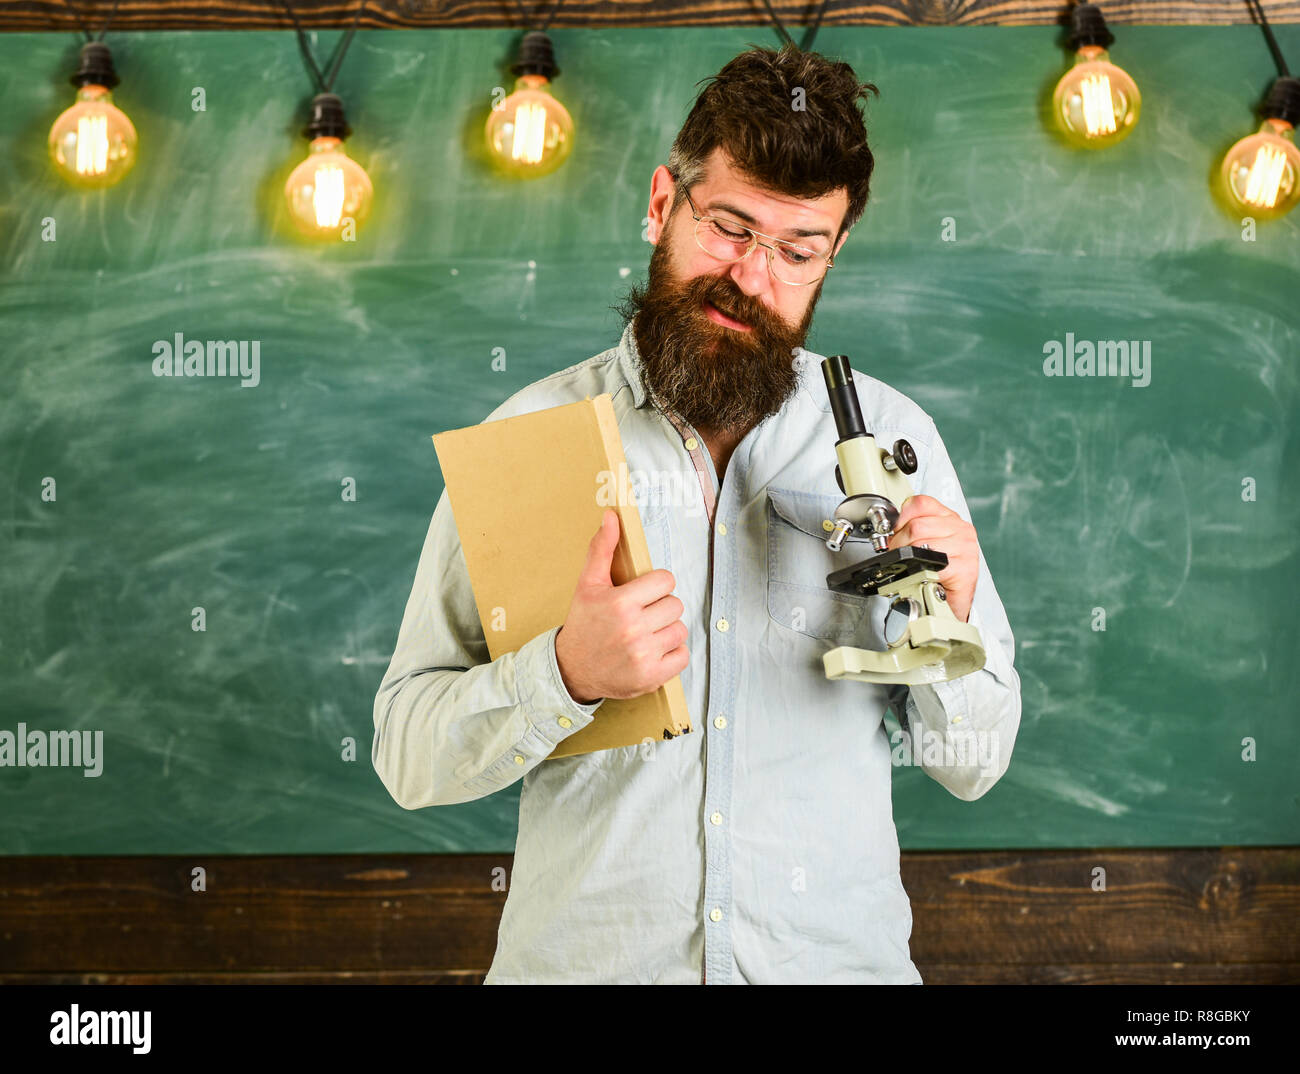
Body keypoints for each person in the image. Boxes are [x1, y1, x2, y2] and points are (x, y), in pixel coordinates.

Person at [373, 44, 1022, 984]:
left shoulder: (891, 438)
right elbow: (407, 751)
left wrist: (948, 625)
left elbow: (975, 761)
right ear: (660, 204)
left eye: (797, 252)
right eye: (728, 226)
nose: (752, 276)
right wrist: (564, 677)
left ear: (831, 256)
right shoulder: (533, 438)